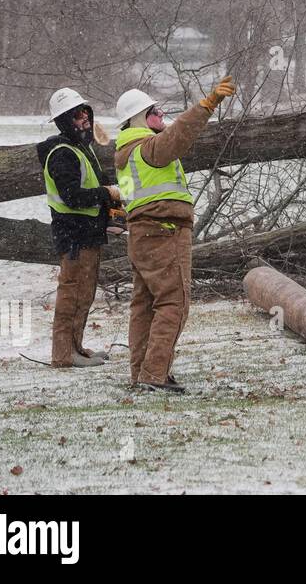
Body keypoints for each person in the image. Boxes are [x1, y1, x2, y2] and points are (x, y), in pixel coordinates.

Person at [113, 75, 235, 393]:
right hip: (165, 232)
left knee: (143, 305)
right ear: (140, 118)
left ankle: (141, 372)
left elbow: (130, 199)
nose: (161, 117)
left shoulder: (124, 157)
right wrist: (207, 105)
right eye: (155, 112)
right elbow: (180, 135)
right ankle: (155, 374)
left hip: (140, 236)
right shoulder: (149, 148)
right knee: (174, 302)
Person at [37, 88, 121, 368]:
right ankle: (63, 354)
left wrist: (111, 203)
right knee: (71, 294)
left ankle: (76, 347)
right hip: (73, 236)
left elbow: (95, 183)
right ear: (63, 121)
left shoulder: (81, 149)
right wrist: (107, 194)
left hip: (88, 234)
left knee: (85, 293)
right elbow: (73, 196)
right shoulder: (62, 153)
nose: (83, 119)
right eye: (76, 115)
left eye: (85, 112)